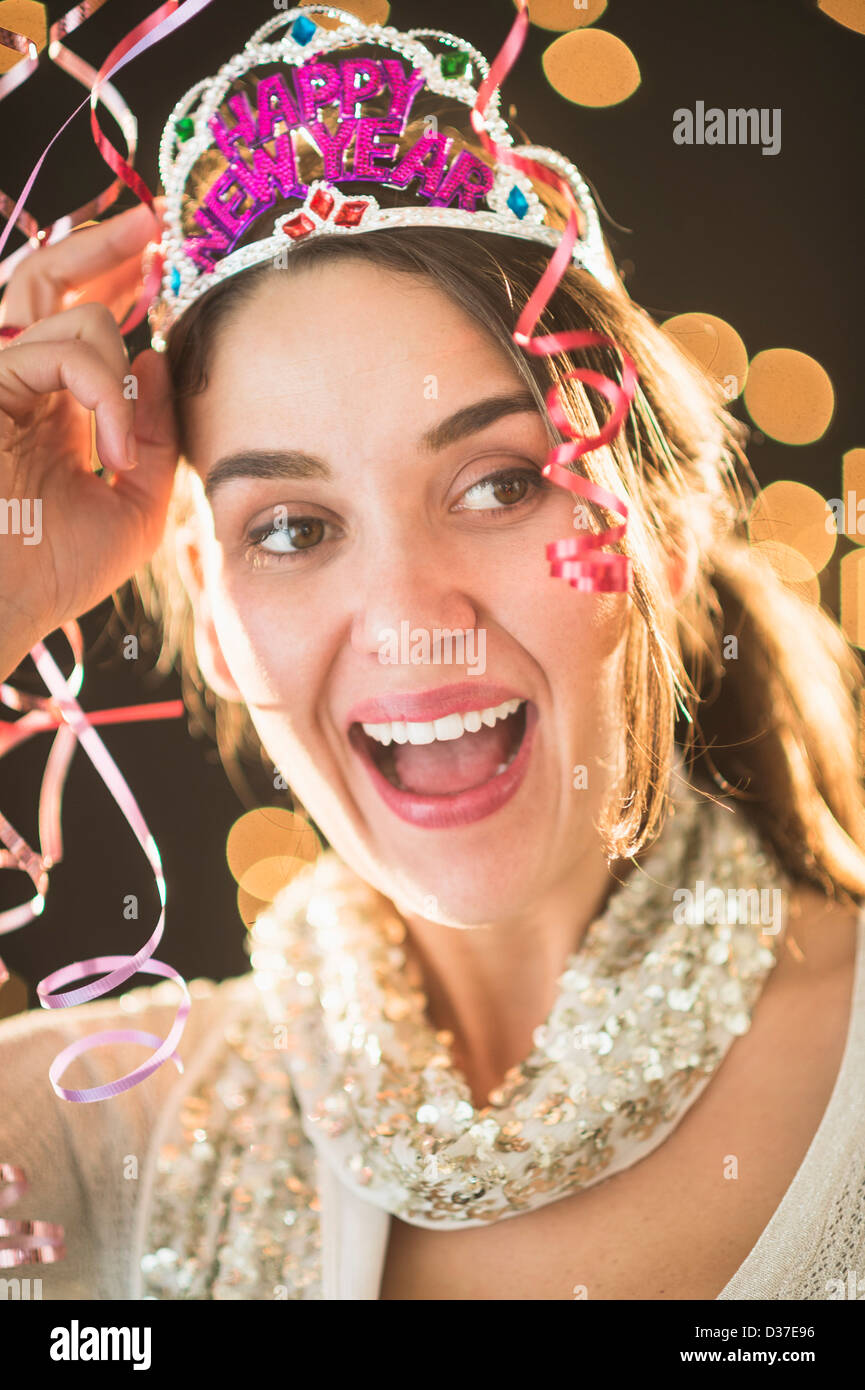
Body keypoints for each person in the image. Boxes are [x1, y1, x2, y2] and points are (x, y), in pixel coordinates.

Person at [1, 6, 864, 1301]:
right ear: (215, 615)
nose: (409, 614)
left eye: (497, 485)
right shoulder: (80, 1138)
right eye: (292, 527)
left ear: (659, 528)